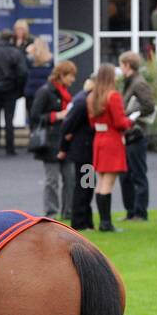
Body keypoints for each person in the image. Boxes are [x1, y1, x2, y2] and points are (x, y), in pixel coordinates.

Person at [86, 63, 134, 233]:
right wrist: (131, 121)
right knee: (108, 182)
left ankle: (103, 221)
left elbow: (92, 123)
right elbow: (120, 122)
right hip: (112, 140)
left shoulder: (91, 96)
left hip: (99, 139)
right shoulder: (113, 96)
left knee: (100, 181)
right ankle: (106, 223)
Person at [30, 60, 77, 218]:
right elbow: (35, 116)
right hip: (50, 143)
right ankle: (51, 213)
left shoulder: (65, 93)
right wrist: (56, 116)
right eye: (71, 76)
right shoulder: (45, 91)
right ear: (62, 75)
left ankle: (68, 212)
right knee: (52, 180)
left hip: (65, 142)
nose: (73, 80)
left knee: (70, 179)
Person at [117, 51, 155, 222]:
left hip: (136, 135)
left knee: (138, 175)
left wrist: (130, 115)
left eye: (121, 65)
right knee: (126, 175)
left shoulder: (138, 83)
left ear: (127, 65)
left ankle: (140, 212)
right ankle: (131, 211)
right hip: (129, 135)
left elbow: (149, 106)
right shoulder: (130, 82)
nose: (120, 68)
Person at [58, 78, 96, 230]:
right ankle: (80, 221)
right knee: (84, 186)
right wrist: (63, 146)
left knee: (86, 185)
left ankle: (85, 220)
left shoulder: (80, 99)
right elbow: (68, 125)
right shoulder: (83, 102)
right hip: (84, 151)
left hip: (83, 150)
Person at [21, 37, 53, 116]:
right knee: (44, 115)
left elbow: (22, 71)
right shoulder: (50, 59)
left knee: (32, 115)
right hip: (45, 91)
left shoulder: (29, 59)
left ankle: (33, 128)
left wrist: (26, 52)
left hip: (31, 91)